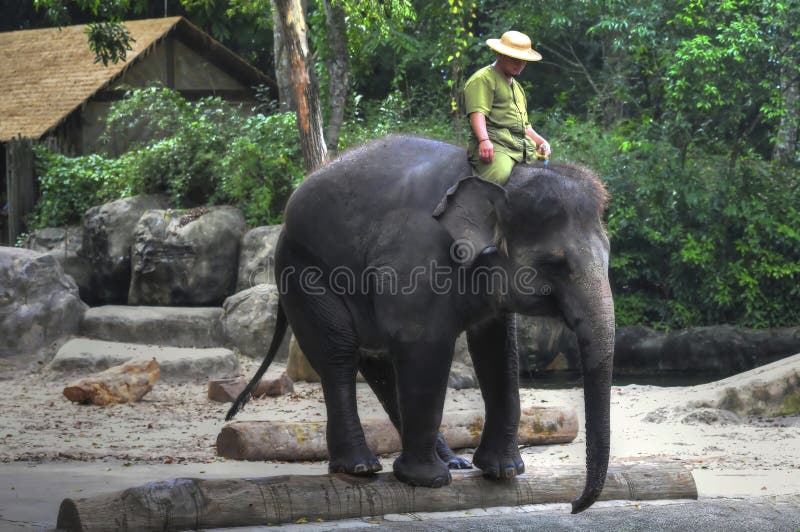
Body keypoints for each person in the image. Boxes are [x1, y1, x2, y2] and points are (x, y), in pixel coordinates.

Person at [464, 30, 551, 184]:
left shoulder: (518, 88)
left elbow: (524, 126)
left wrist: (541, 142)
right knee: (498, 177)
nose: (520, 65)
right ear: (501, 55)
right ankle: (471, 206)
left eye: (523, 60)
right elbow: (477, 113)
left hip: (521, 147)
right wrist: (484, 140)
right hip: (496, 144)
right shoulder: (483, 78)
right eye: (514, 59)